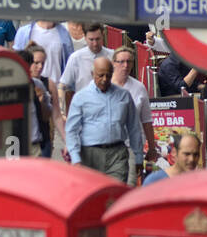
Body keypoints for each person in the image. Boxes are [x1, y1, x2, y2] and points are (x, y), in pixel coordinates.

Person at [65, 57, 144, 183]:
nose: (104, 79)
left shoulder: (124, 95)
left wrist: (139, 157)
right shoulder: (80, 97)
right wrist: (75, 158)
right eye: (100, 75)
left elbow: (134, 127)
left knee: (115, 191)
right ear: (93, 74)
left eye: (108, 75)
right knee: (93, 191)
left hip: (117, 154)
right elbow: (71, 130)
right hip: (90, 154)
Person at [112, 46, 158, 182]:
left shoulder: (139, 88)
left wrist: (152, 147)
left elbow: (146, 120)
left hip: (132, 147)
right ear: (114, 63)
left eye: (129, 62)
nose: (125, 65)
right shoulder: (104, 85)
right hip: (108, 147)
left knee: (129, 183)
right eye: (121, 62)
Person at [61, 23, 113, 110]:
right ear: (85, 38)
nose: (95, 43)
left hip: (107, 107)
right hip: (83, 108)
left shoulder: (112, 56)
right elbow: (63, 85)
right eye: (91, 40)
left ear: (103, 36)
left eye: (98, 39)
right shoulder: (75, 58)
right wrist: (62, 109)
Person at [20, 43, 54, 157]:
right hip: (15, 144)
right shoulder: (10, 87)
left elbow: (47, 116)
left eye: (43, 63)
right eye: (36, 63)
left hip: (35, 144)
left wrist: (42, 101)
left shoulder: (38, 84)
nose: (40, 67)